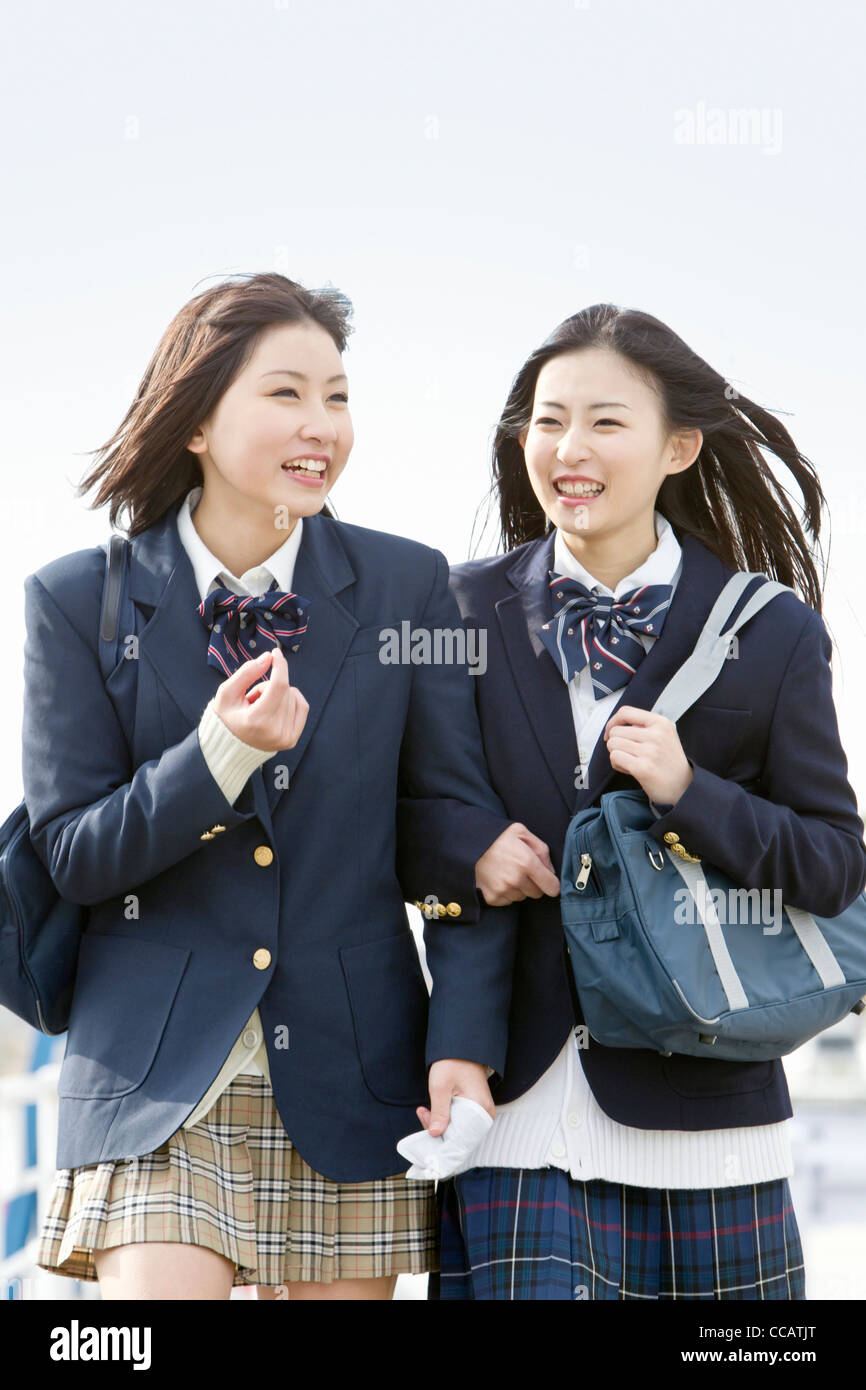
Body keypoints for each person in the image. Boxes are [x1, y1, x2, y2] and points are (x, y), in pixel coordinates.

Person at [23, 271, 516, 1300]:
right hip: (155, 1078)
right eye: (286, 393)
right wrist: (218, 757)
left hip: (352, 1071)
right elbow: (72, 854)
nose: (322, 425)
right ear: (197, 419)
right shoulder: (75, 601)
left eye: (337, 396)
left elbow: (452, 835)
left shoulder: (406, 587)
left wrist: (463, 1046)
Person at [398, 303, 866, 1300]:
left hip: (716, 1129)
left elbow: (832, 866)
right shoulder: (455, 608)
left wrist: (688, 792)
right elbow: (407, 815)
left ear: (678, 446)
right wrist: (468, 851)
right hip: (513, 1120)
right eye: (546, 419)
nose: (568, 447)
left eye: (604, 421)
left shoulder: (770, 630)